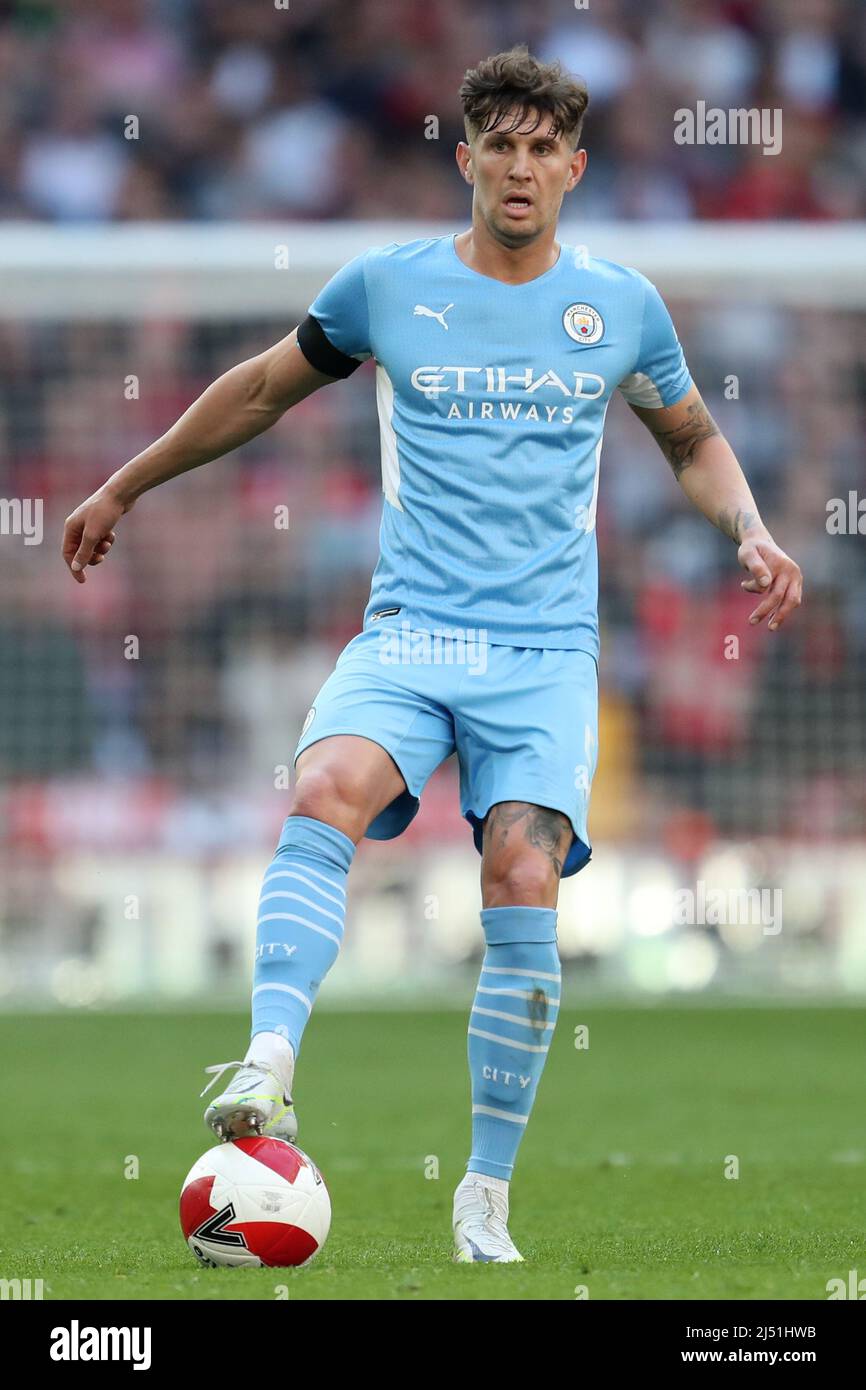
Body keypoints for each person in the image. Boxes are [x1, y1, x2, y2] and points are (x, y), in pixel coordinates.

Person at [61, 46, 803, 1264]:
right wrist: (124, 484)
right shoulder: (386, 287)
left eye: (540, 149)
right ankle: (267, 1061)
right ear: (466, 160)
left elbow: (692, 437)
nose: (518, 168)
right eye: (496, 146)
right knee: (320, 789)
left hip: (543, 650)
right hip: (406, 636)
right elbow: (257, 390)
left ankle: (483, 1196)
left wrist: (753, 525)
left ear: (570, 168)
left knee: (521, 875)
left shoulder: (618, 305)